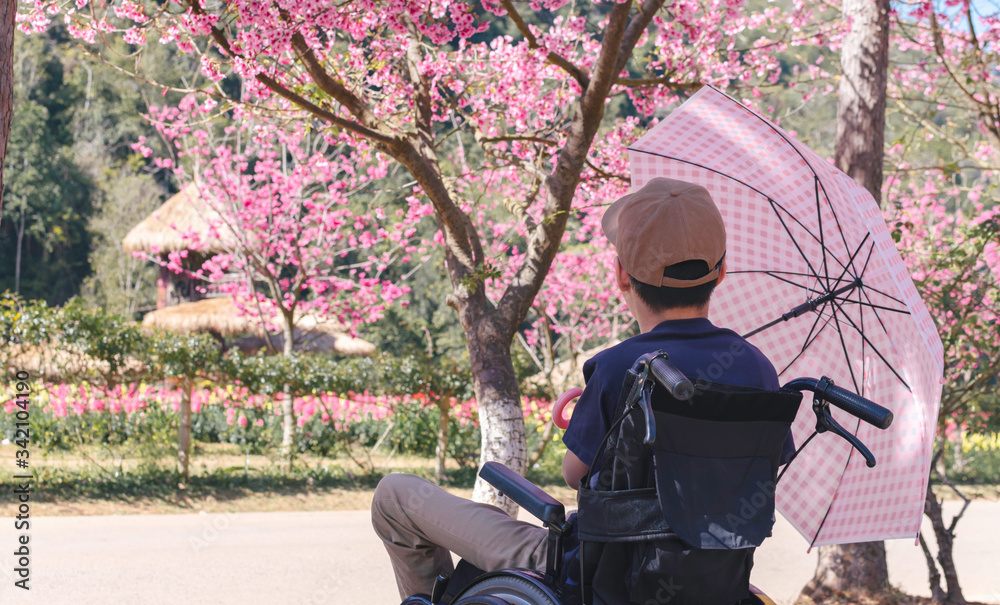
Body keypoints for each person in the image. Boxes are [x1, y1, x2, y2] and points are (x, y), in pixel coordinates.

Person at [371, 177, 791, 601]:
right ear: (720, 272)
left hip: (589, 573)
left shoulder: (618, 369)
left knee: (395, 496)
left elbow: (576, 475)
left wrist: (589, 415)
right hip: (711, 582)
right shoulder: (758, 369)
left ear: (622, 275)